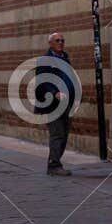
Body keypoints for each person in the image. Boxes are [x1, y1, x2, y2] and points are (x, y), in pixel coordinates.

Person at [35, 30, 78, 176]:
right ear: (50, 43)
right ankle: (54, 165)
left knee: (64, 134)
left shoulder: (65, 57)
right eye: (57, 40)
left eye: (62, 40)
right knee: (57, 134)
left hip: (67, 103)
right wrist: (55, 93)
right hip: (53, 104)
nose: (61, 43)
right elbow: (42, 82)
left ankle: (54, 162)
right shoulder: (44, 60)